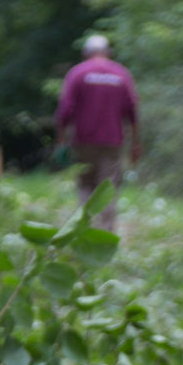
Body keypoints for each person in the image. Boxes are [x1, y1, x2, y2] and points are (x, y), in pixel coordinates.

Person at [55, 32, 141, 229]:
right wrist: (136, 144)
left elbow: (64, 111)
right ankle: (106, 234)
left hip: (82, 142)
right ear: (108, 52)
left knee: (85, 186)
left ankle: (82, 231)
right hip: (113, 142)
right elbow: (133, 112)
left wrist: (61, 141)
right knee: (107, 188)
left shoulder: (77, 73)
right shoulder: (121, 74)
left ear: (86, 53)